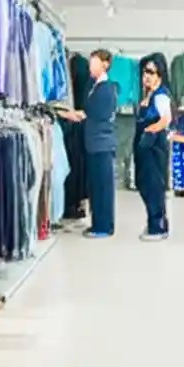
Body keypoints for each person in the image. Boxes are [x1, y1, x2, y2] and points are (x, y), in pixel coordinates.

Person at [61, 49, 118, 238]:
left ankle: (104, 227)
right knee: (95, 186)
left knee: (103, 187)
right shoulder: (94, 86)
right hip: (94, 144)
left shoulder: (107, 88)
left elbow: (98, 114)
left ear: (105, 64)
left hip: (101, 144)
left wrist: (79, 115)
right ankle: (97, 223)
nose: (91, 67)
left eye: (94, 63)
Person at [134, 54, 173, 241]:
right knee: (145, 184)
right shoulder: (149, 94)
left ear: (160, 74)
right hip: (145, 148)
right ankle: (153, 222)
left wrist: (151, 130)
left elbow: (166, 119)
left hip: (154, 148)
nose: (146, 76)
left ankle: (158, 226)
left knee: (154, 186)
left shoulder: (161, 95)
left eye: (151, 72)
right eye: (144, 72)